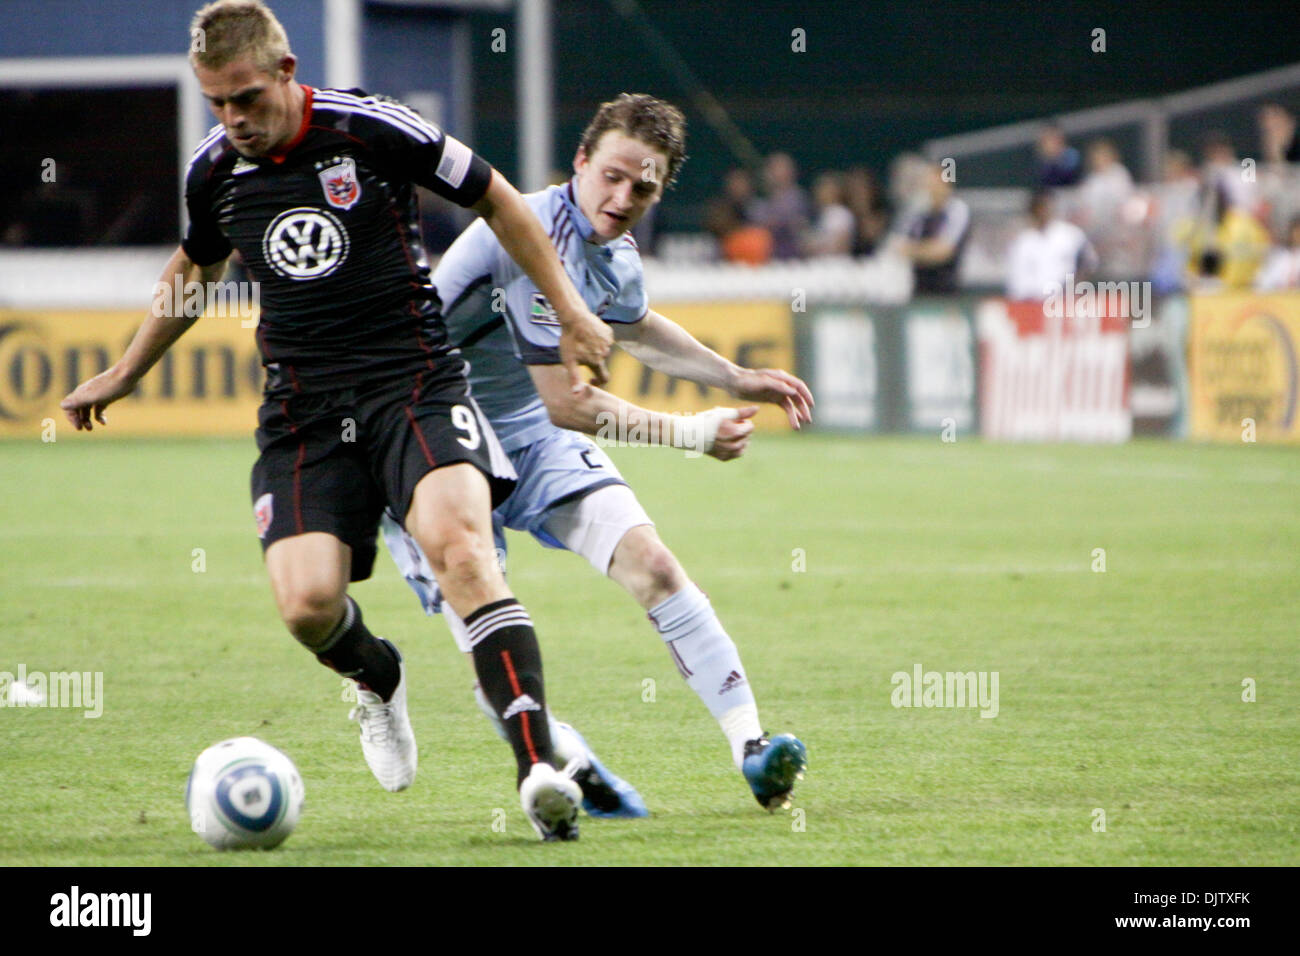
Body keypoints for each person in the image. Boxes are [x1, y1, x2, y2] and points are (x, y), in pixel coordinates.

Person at [59, 0, 615, 842]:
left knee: (461, 549)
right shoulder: (213, 172)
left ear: (286, 72)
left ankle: (536, 765)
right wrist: (130, 369)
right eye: (216, 102)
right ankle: (377, 676)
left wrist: (570, 311)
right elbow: (197, 260)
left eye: (245, 97)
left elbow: (498, 196)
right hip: (304, 408)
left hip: (412, 379)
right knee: (308, 607)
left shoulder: (370, 127)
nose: (233, 118)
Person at [381, 93, 813, 812]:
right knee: (493, 647)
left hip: (522, 428)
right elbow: (569, 401)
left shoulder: (613, 249)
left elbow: (636, 326)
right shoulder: (531, 233)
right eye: (611, 175)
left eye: (644, 187)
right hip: (428, 441)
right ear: (580, 162)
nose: (623, 197)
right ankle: (574, 767)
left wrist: (736, 377)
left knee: (655, 564)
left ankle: (753, 746)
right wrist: (690, 433)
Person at [1005, 188, 1098, 302]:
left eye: (1046, 207)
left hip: (1065, 303)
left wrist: (1075, 287)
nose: (1044, 212)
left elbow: (1089, 264)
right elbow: (1017, 282)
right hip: (1031, 304)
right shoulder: (1022, 242)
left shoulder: (1071, 235)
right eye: (1039, 208)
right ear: (1032, 211)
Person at [892, 161, 970, 295]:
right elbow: (898, 247)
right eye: (929, 182)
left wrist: (915, 251)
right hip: (918, 289)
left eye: (937, 183)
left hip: (947, 291)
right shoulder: (919, 211)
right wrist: (924, 250)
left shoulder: (957, 210)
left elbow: (943, 251)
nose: (931, 187)